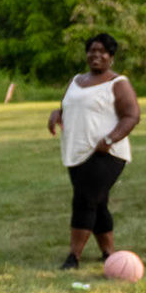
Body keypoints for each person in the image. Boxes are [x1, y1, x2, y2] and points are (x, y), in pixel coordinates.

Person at [47, 32, 139, 270]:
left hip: (106, 154)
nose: (96, 55)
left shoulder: (118, 83)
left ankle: (73, 257)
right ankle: (109, 253)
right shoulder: (76, 80)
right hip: (76, 153)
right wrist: (57, 115)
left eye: (102, 52)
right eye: (92, 51)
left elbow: (132, 115)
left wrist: (110, 139)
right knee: (98, 203)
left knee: (84, 200)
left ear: (111, 57)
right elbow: (68, 106)